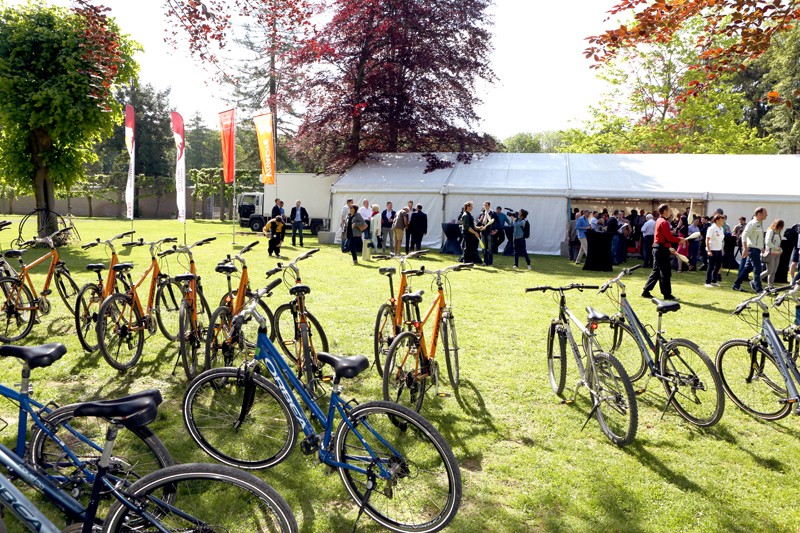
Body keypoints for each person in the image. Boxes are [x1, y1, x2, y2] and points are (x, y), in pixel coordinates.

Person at [642, 204, 685, 301]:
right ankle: (667, 294)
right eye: (669, 210)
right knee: (665, 272)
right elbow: (668, 237)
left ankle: (646, 291)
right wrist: (679, 240)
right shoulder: (664, 222)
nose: (670, 212)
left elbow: (662, 237)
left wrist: (669, 247)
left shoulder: (658, 220)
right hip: (661, 250)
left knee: (656, 271)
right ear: (665, 211)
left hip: (658, 248)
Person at [732, 207, 769, 293]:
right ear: (759, 214)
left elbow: (756, 237)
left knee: (747, 269)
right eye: (765, 213)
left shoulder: (759, 223)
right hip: (752, 249)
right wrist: (745, 249)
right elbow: (744, 236)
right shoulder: (752, 223)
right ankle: (759, 289)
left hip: (756, 249)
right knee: (757, 269)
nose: (767, 215)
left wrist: (761, 247)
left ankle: (736, 285)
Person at [704, 214, 725, 287]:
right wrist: (709, 250)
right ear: (717, 220)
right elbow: (707, 239)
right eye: (722, 220)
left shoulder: (721, 228)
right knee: (711, 266)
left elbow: (721, 240)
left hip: (719, 249)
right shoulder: (711, 228)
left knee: (718, 265)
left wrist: (722, 249)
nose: (723, 221)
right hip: (712, 249)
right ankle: (707, 282)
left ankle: (714, 281)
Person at [763, 219, 784, 290]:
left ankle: (770, 286)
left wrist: (779, 249)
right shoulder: (770, 231)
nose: (780, 228)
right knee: (769, 270)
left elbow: (778, 243)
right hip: (770, 253)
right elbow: (768, 243)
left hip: (777, 254)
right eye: (779, 226)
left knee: (774, 271)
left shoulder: (778, 232)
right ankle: (755, 280)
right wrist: (777, 248)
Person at [477, 201, 495, 266]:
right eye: (484, 205)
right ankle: (485, 262)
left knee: (490, 248)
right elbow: (479, 223)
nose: (484, 207)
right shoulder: (482, 213)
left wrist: (495, 230)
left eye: (486, 205)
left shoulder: (492, 213)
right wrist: (480, 221)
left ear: (489, 206)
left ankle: (490, 263)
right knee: (484, 248)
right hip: (483, 232)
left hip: (489, 232)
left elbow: (495, 222)